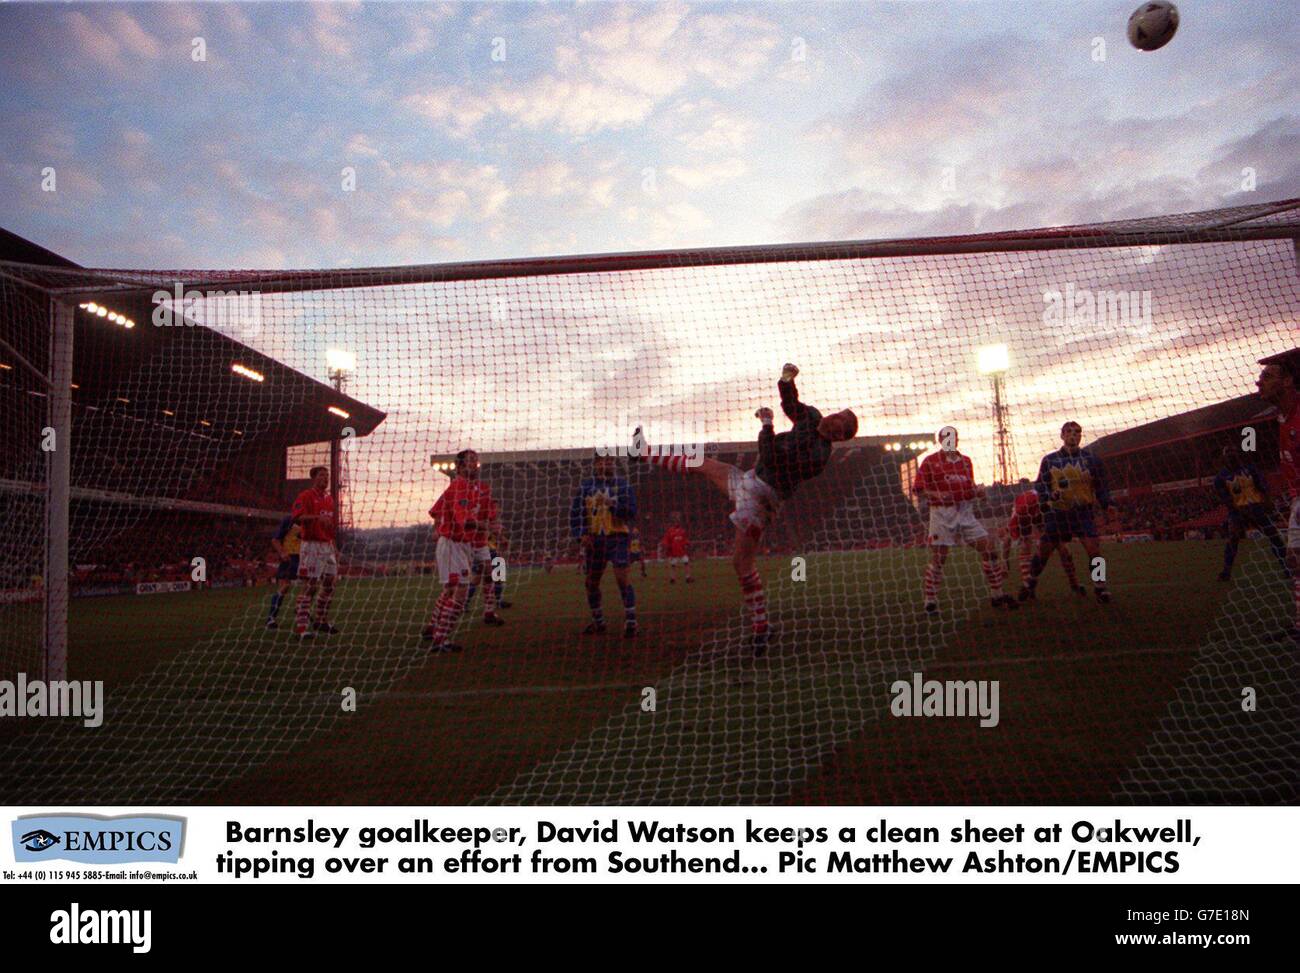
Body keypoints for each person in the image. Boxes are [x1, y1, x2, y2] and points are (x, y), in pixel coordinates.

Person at [636, 363, 857, 654]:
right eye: (836, 416)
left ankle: (762, 627)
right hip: (750, 482)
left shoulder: (818, 456)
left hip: (763, 499)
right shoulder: (812, 417)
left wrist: (766, 424)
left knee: (741, 563)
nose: (832, 421)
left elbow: (772, 455)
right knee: (703, 464)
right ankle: (644, 452)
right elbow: (791, 404)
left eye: (838, 426)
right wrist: (786, 380)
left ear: (839, 437)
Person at [913, 426, 1017, 613]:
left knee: (990, 550)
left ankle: (997, 594)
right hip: (942, 514)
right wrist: (936, 493)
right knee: (939, 559)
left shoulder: (966, 462)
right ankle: (930, 601)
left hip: (965, 513)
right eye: (946, 438)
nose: (950, 441)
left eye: (953, 437)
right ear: (941, 441)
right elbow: (919, 489)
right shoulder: (930, 461)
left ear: (957, 440)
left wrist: (979, 493)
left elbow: (969, 487)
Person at [1020, 421, 1114, 604]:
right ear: (1062, 435)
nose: (1074, 435)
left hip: (1083, 512)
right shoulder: (1050, 460)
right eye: (1069, 432)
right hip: (1058, 514)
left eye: (1078, 432)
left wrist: (1107, 504)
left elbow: (1101, 486)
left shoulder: (1092, 460)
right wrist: (1049, 494)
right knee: (1043, 553)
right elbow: (1040, 485)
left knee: (1094, 551)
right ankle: (1030, 582)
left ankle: (1101, 587)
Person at [423, 449, 505, 652]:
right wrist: (488, 527)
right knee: (461, 590)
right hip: (454, 543)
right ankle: (440, 638)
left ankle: (438, 632)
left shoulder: (475, 489)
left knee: (458, 587)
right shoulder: (459, 487)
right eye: (470, 461)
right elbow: (464, 522)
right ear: (459, 467)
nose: (475, 464)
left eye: (476, 461)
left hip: (463, 544)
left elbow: (486, 516)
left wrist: (494, 527)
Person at [569, 454, 639, 638]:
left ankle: (631, 621)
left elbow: (631, 512)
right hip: (594, 542)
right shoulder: (586, 487)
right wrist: (581, 534)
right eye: (604, 461)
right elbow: (575, 514)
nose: (608, 463)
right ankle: (599, 623)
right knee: (591, 583)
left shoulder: (623, 485)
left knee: (622, 579)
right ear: (596, 464)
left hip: (618, 538)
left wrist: (613, 505)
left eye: (611, 461)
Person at [1213, 445, 1288, 581]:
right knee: (1232, 541)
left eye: (1233, 451)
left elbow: (1263, 486)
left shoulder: (1250, 469)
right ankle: (1226, 572)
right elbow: (1225, 499)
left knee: (1275, 538)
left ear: (1238, 454)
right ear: (1224, 457)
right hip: (1237, 513)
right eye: (1228, 453)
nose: (1231, 455)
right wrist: (1238, 511)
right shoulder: (1220, 478)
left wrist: (1267, 501)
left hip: (1256, 510)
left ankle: (1286, 568)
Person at [291, 465, 340, 637]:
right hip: (311, 545)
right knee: (310, 586)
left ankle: (321, 621)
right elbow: (296, 517)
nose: (325, 478)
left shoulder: (329, 499)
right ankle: (302, 628)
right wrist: (317, 518)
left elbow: (330, 526)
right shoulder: (305, 496)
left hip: (327, 546)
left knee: (329, 584)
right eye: (321, 475)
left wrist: (334, 547)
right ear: (314, 478)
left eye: (327, 475)